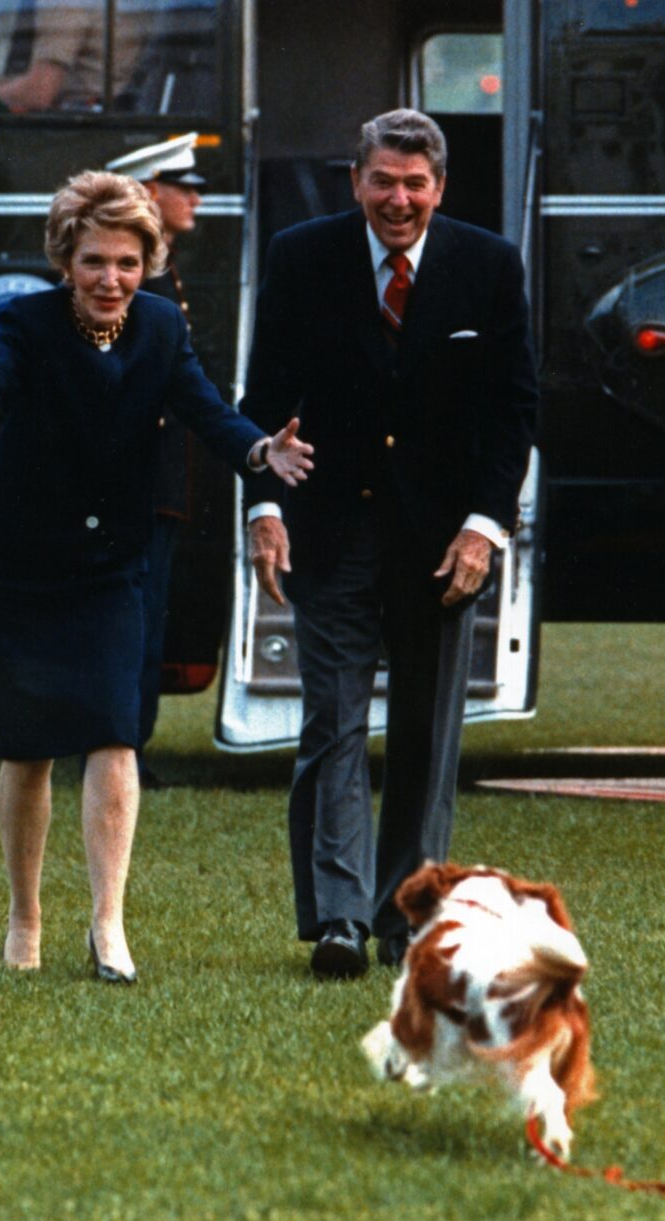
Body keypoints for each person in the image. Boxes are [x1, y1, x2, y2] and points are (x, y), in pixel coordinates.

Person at [0, 170, 313, 982]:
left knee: (116, 727)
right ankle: (25, 917)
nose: (111, 280)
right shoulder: (23, 322)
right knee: (30, 743)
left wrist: (260, 452)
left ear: (149, 263)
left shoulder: (160, 326)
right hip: (26, 557)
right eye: (94, 263)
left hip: (116, 555)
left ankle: (109, 923)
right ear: (65, 262)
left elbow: (208, 410)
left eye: (127, 263)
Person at [241, 109, 537, 980]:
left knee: (424, 735)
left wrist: (485, 526)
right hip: (329, 530)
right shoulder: (302, 257)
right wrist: (263, 504)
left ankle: (407, 916)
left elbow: (512, 411)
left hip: (445, 543)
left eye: (415, 185)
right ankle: (338, 920)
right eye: (383, 181)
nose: (398, 200)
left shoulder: (488, 265)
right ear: (356, 180)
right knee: (331, 723)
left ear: (439, 189)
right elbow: (264, 396)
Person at [106, 133, 206, 789]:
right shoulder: (135, 284)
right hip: (133, 486)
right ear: (148, 193)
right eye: (183, 184)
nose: (196, 195)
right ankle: (120, 750)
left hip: (157, 484)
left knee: (143, 620)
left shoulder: (161, 274)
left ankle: (127, 745)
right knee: (130, 623)